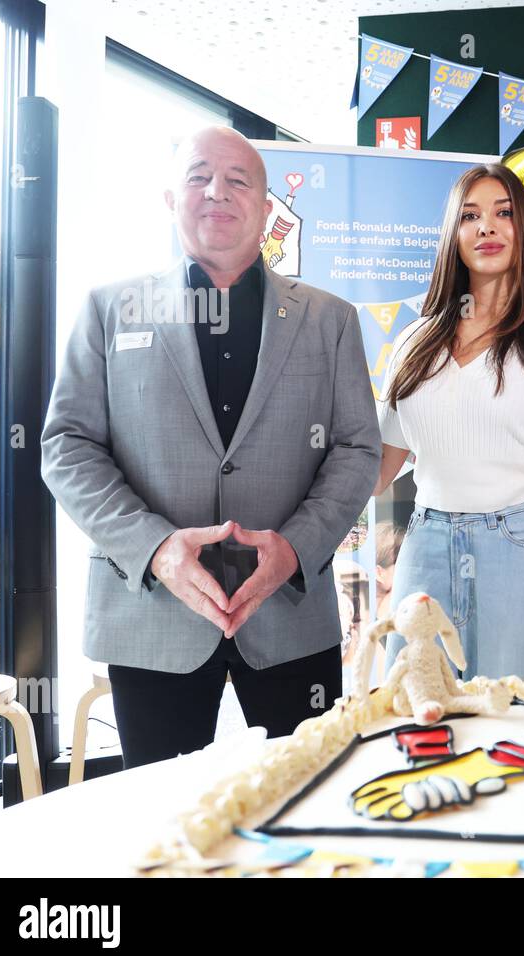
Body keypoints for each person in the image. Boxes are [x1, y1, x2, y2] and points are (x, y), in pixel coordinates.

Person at [41, 126, 381, 768]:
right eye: (198, 176)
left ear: (265, 205)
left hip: (289, 611)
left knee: (302, 796)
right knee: (164, 818)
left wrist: (296, 550)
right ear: (170, 198)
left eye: (237, 180)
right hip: (153, 614)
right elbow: (68, 446)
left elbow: (357, 448)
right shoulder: (111, 309)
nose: (216, 191)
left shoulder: (329, 319)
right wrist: (155, 549)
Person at [375, 163, 524, 681]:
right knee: (416, 717)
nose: (487, 227)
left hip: (522, 554)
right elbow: (375, 470)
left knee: (514, 727)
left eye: (503, 213)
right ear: (453, 234)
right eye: (470, 215)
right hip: (426, 547)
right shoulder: (413, 343)